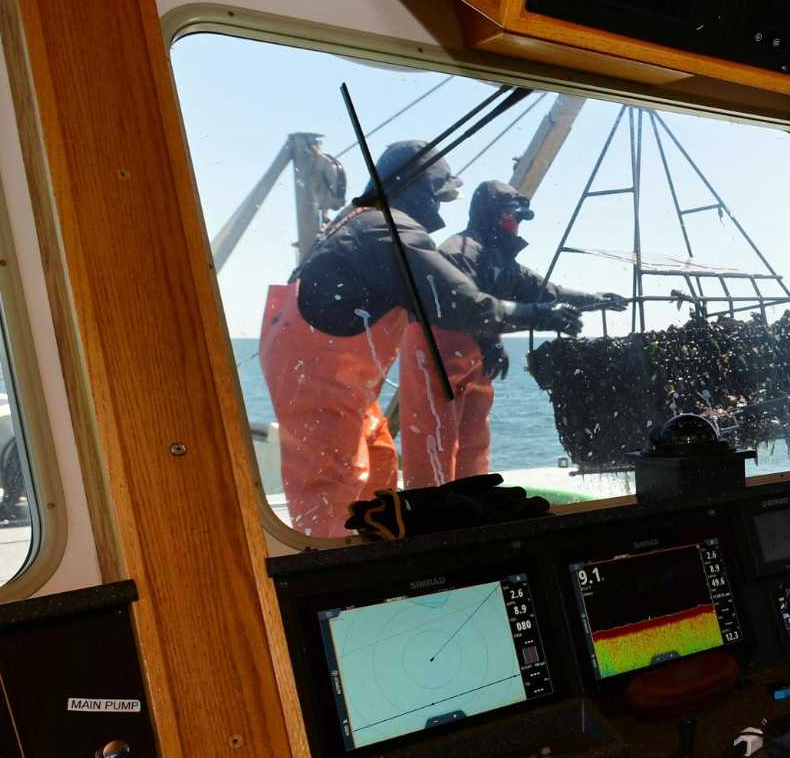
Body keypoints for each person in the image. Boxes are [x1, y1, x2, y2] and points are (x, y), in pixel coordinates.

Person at [259, 141, 577, 535]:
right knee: (334, 483)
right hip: (316, 372)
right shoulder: (386, 230)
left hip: (336, 368)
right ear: (413, 187)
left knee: (378, 463)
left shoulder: (359, 219)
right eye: (437, 196)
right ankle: (343, 573)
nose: (441, 210)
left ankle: (384, 545)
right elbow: (464, 303)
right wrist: (540, 315)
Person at [396, 180, 625, 487]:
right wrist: (497, 337)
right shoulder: (458, 252)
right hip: (436, 352)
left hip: (474, 357)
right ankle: (431, 516)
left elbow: (548, 292)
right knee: (434, 439)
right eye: (513, 215)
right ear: (494, 215)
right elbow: (463, 310)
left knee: (473, 438)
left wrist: (598, 300)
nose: (517, 224)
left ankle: (472, 504)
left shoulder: (502, 260)